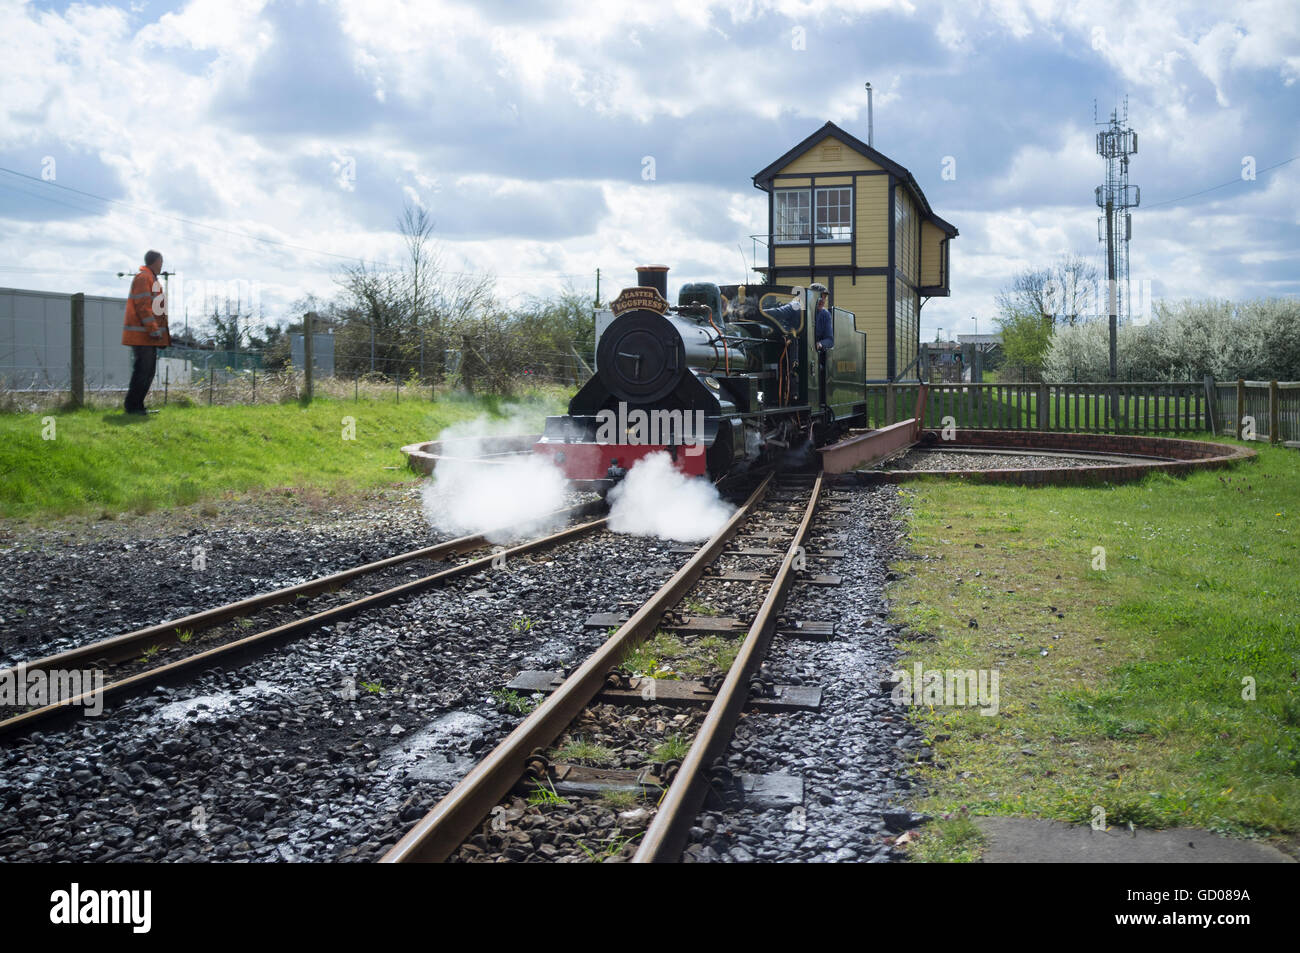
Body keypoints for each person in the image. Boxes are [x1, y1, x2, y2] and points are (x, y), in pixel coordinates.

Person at [121, 250, 170, 415]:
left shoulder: (150, 278)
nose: (162, 265)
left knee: (147, 372)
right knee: (143, 371)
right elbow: (143, 306)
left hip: (147, 336)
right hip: (143, 335)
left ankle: (138, 406)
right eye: (161, 261)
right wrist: (153, 330)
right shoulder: (144, 278)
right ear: (155, 262)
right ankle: (133, 407)